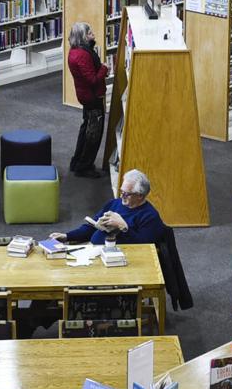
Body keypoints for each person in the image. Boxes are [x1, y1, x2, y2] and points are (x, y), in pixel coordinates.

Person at [53, 169, 165, 245]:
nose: (122, 196)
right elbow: (93, 226)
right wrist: (67, 236)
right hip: (94, 251)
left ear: (140, 196)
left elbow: (144, 247)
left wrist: (124, 227)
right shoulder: (114, 204)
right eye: (121, 191)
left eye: (126, 194)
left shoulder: (150, 217)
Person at [66, 22, 108, 178]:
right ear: (83, 36)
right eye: (90, 32)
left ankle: (77, 161)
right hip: (92, 97)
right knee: (93, 133)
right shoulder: (82, 55)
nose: (93, 34)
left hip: (86, 95)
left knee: (86, 129)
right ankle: (84, 166)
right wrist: (104, 68)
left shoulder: (77, 51)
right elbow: (92, 80)